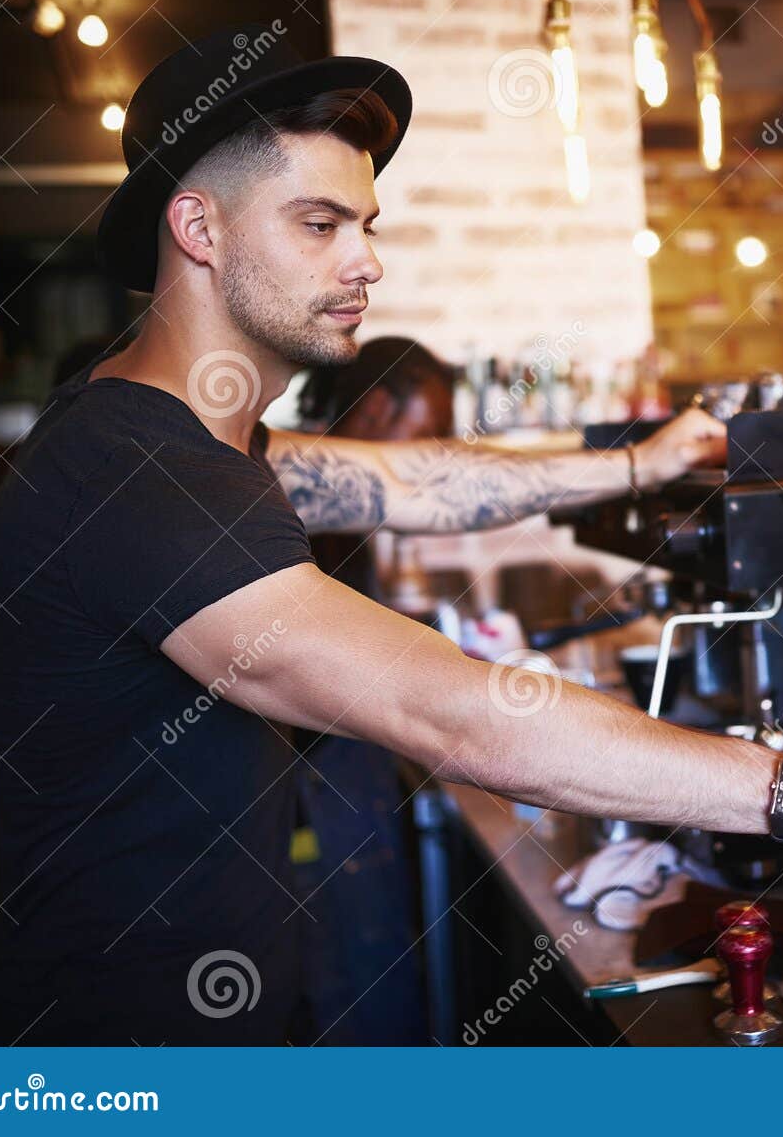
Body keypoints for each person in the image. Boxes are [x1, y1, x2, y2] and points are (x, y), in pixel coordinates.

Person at [0, 25, 783, 1045]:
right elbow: (458, 717)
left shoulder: (199, 443)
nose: (367, 263)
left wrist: (633, 465)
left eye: (367, 225)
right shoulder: (129, 473)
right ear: (199, 230)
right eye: (321, 224)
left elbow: (419, 480)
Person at [291, 337, 458, 1044]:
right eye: (422, 438)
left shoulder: (339, 510)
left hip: (346, 770)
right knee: (356, 987)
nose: (426, 461)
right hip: (314, 787)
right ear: (377, 408)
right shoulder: (297, 499)